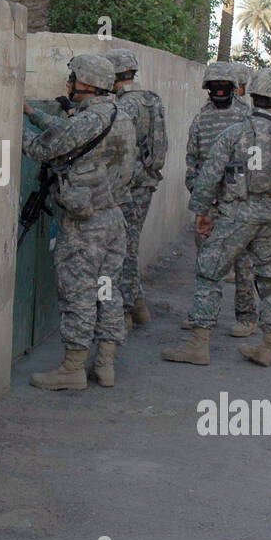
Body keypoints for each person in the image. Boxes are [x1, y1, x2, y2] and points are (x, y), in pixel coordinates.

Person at [163, 69, 271, 367]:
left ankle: (199, 345)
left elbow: (209, 176)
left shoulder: (234, 132)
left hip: (236, 213)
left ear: (251, 94)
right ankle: (268, 347)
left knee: (209, 273)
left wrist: (202, 211)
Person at [22, 54, 136, 390]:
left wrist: (15, 123)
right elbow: (69, 133)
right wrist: (34, 114)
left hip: (86, 226)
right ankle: (105, 364)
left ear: (85, 84)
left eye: (72, 78)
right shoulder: (119, 115)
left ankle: (72, 369)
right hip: (114, 219)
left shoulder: (89, 122)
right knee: (107, 290)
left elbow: (44, 149)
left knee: (78, 292)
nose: (68, 83)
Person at [180, 61, 256, 336]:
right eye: (215, 87)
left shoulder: (247, 118)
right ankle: (202, 316)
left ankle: (246, 316)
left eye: (224, 87)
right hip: (210, 204)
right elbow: (192, 159)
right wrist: (201, 196)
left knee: (243, 263)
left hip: (240, 205)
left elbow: (254, 163)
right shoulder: (202, 119)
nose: (219, 91)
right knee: (206, 263)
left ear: (234, 88)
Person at [106, 46, 168, 331]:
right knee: (131, 243)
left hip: (131, 184)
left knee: (125, 249)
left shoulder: (125, 106)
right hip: (147, 181)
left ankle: (126, 310)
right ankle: (139, 307)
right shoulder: (151, 100)